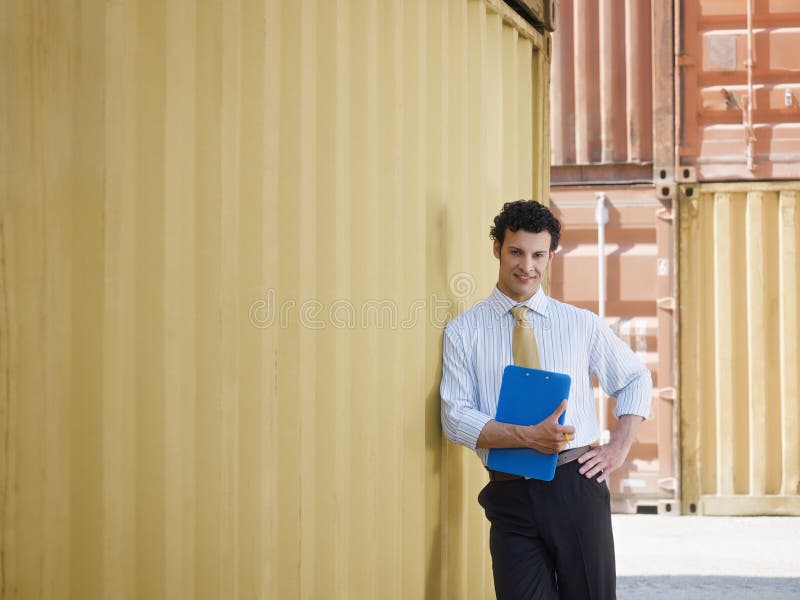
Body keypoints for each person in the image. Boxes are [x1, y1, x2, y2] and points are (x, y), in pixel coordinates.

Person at [440, 200, 652, 599]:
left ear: (551, 255)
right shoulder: (463, 332)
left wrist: (619, 447)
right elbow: (454, 416)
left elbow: (635, 379)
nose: (527, 266)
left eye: (538, 255)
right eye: (516, 252)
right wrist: (527, 437)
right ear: (497, 249)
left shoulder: (580, 325)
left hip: (576, 485)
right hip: (509, 495)